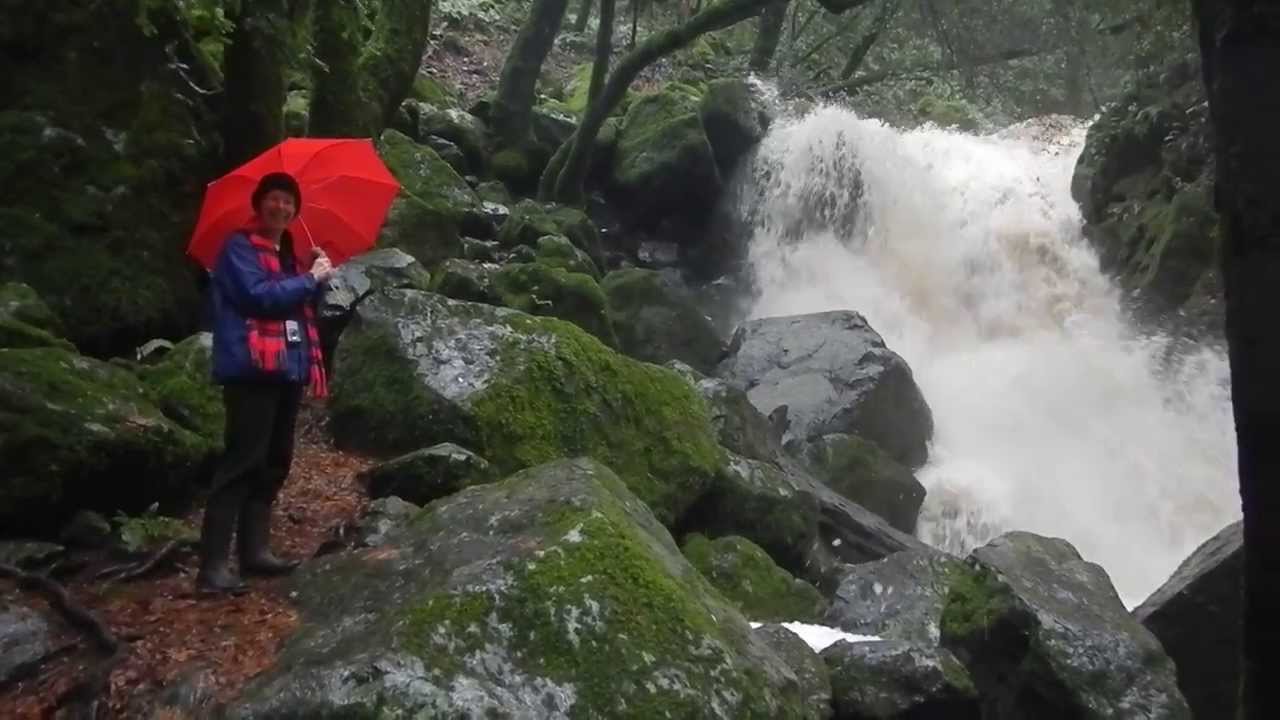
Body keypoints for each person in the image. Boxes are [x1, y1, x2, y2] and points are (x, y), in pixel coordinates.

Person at [197, 171, 336, 595]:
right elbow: (260, 297)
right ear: (259, 205)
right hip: (252, 369)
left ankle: (255, 552)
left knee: (275, 461)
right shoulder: (239, 248)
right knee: (242, 461)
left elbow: (296, 305)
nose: (281, 207)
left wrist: (316, 274)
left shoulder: (290, 254)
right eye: (274, 199)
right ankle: (213, 567)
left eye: (288, 202)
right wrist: (308, 279)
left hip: (287, 370)